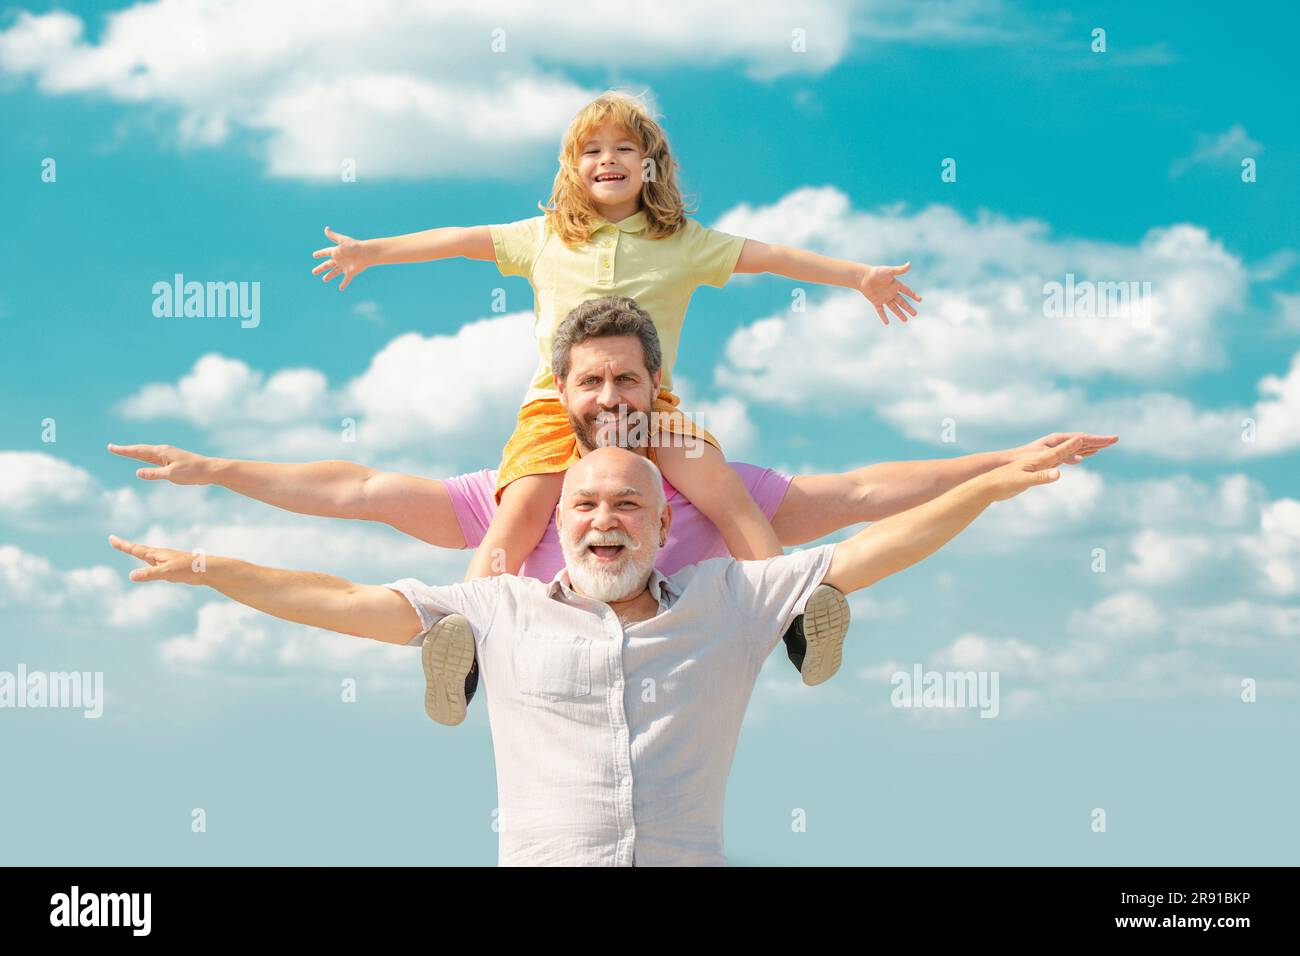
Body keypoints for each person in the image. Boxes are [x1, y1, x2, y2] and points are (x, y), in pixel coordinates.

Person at [108, 297, 1117, 725]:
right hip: (553, 684)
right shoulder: (535, 477)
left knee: (765, 548)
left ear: (655, 381)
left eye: (627, 381)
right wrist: (220, 467)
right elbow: (364, 491)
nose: (611, 401)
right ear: (563, 392)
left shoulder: (692, 464)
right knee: (483, 583)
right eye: (590, 383)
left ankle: (797, 629)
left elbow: (852, 495)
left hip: (684, 671)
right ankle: (459, 653)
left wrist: (997, 460)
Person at [108, 436, 1095, 866]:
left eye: (628, 503)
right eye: (583, 503)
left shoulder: (726, 598)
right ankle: (445, 679)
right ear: (558, 523)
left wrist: (989, 484)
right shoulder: (497, 607)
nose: (603, 518)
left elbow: (872, 535)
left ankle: (808, 637)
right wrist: (208, 562)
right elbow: (341, 594)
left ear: (665, 527)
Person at [309, 90, 922, 585]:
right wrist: (372, 252)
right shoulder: (546, 235)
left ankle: (791, 609)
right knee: (518, 515)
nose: (608, 159)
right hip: (556, 408)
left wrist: (858, 277)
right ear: (573, 169)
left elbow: (771, 258)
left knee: (723, 490)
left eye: (625, 148)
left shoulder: (683, 242)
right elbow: (461, 239)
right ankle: (466, 629)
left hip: (647, 411)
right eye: (592, 150)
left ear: (649, 165)